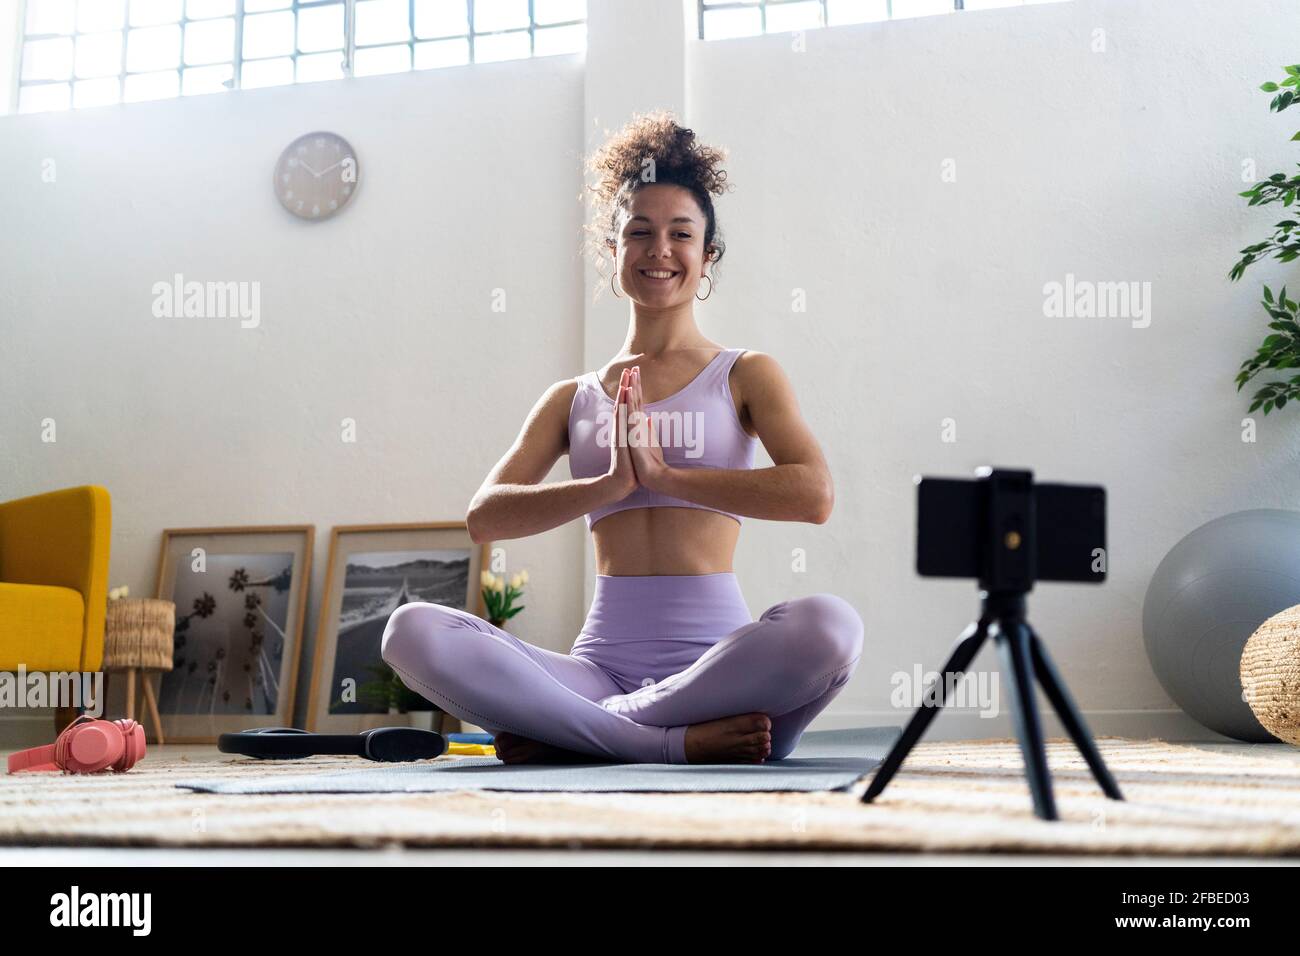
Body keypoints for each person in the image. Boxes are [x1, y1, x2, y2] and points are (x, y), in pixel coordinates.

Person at [381, 110, 864, 764]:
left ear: (707, 255)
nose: (659, 250)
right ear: (613, 251)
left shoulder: (745, 374)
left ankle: (589, 732)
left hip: (720, 668)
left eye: (680, 234)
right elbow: (484, 517)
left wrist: (666, 479)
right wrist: (608, 485)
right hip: (599, 668)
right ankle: (663, 742)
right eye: (639, 232)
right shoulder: (573, 398)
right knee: (410, 632)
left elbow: (814, 494)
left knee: (831, 627)